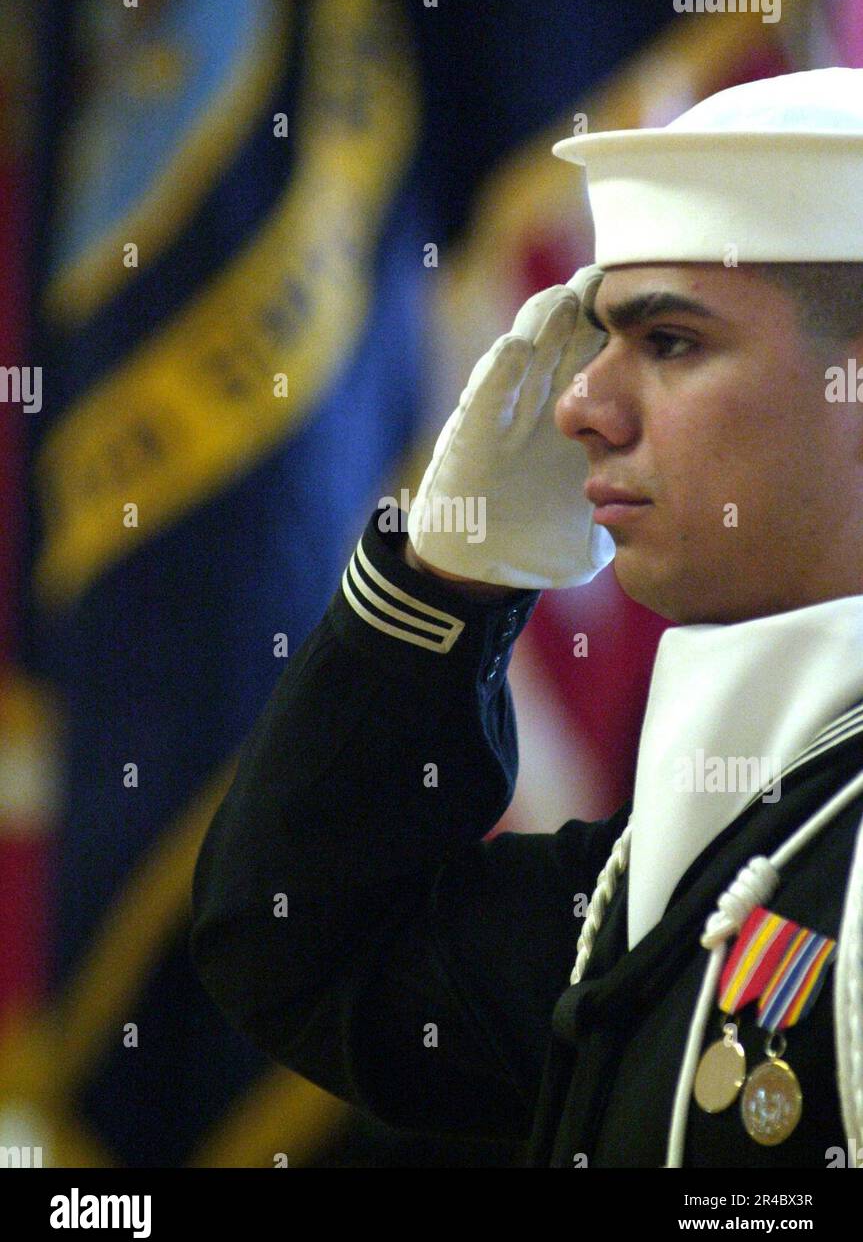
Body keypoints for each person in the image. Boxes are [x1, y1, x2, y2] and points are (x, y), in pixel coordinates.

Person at [190, 67, 863, 1167]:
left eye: (671, 342)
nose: (577, 405)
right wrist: (449, 574)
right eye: (598, 337)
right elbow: (298, 944)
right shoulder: (704, 856)